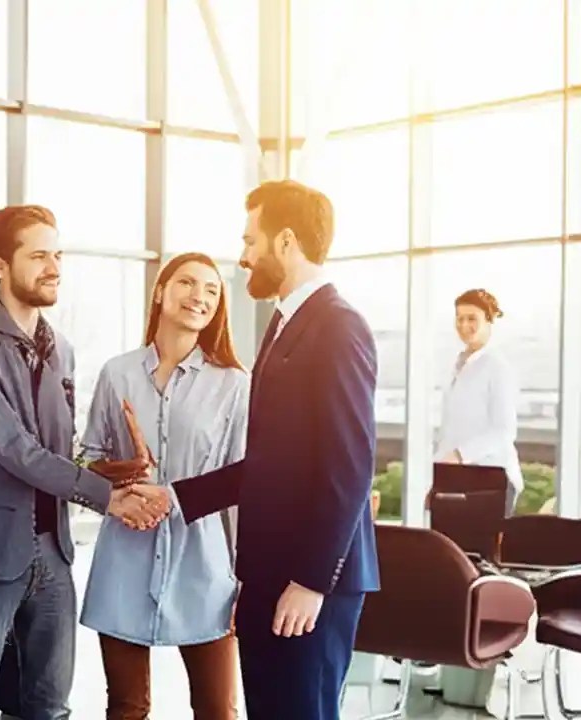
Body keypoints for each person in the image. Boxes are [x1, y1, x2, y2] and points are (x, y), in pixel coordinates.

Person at [0, 204, 172, 720]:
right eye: (39, 255)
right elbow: (16, 451)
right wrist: (109, 499)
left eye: (58, 254)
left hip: (54, 554)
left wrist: (122, 471)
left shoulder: (61, 349)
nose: (54, 266)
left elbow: (56, 456)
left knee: (47, 708)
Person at [167, 180, 380, 720]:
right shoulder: (284, 324)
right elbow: (270, 463)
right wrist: (173, 496)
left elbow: (348, 467)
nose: (243, 258)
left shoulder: (338, 326)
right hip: (268, 575)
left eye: (250, 241)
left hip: (310, 581)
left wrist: (310, 582)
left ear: (285, 242)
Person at [79, 252, 247, 720]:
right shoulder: (118, 373)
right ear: (160, 291)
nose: (200, 296)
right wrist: (127, 471)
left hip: (206, 566)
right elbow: (90, 461)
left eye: (212, 290)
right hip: (124, 561)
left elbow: (244, 480)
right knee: (126, 708)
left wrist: (245, 575)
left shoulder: (234, 385)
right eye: (188, 283)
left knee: (218, 710)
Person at [435, 288, 523, 514]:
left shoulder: (498, 367)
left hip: (491, 479)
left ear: (489, 321)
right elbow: (451, 430)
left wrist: (459, 456)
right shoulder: (458, 364)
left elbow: (503, 431)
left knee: (480, 548)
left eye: (472, 318)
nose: (464, 325)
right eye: (460, 318)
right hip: (460, 477)